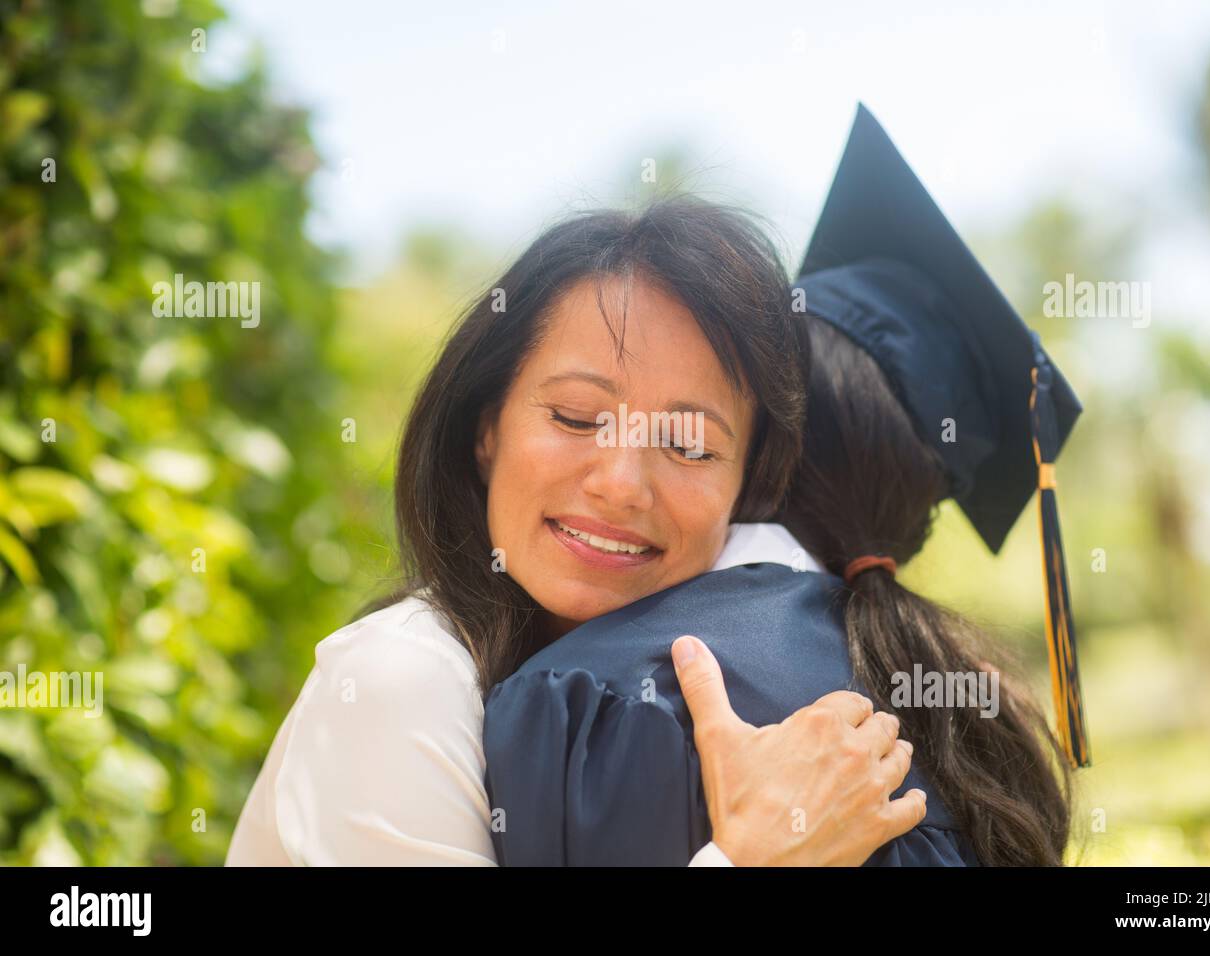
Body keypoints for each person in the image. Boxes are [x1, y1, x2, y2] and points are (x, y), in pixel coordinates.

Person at [226, 194, 924, 866]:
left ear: (747, 486)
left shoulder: (711, 688)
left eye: (688, 446)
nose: (620, 485)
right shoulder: (400, 682)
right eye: (575, 418)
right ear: (485, 427)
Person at [482, 103, 1090, 866]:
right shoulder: (977, 721)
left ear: (763, 452)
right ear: (919, 511)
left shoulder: (592, 692)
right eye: (576, 416)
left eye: (689, 437)